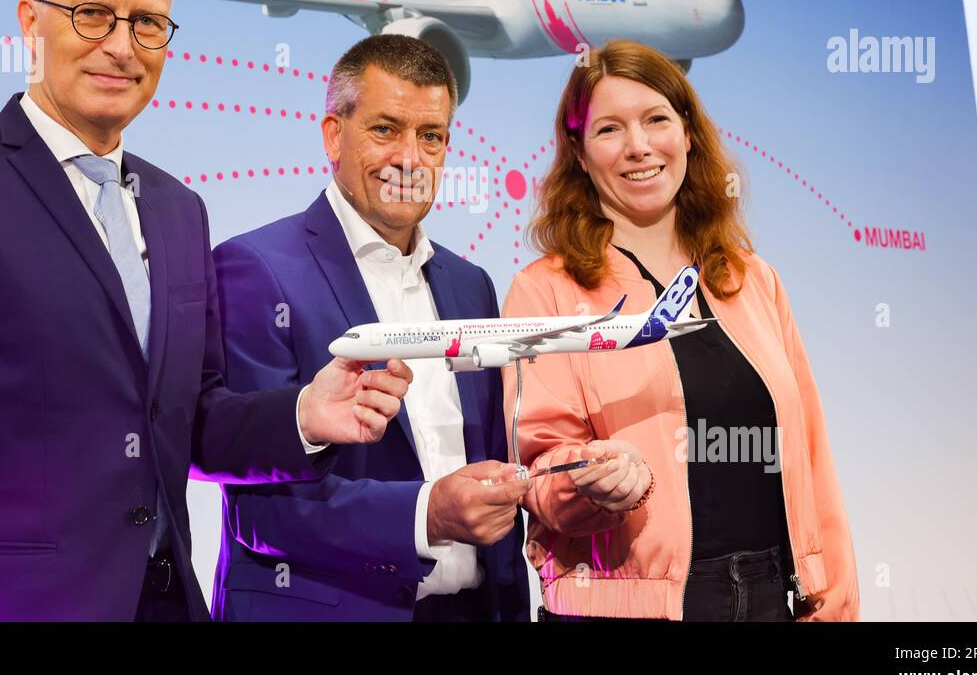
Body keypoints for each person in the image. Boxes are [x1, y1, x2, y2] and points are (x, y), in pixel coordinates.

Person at [0, 0, 411, 622]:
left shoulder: (178, 209)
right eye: (93, 14)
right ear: (29, 21)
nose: (121, 46)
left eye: (148, 24)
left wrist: (303, 415)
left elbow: (187, 417)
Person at [502, 39, 859, 621]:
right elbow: (540, 474)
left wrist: (837, 599)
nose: (639, 146)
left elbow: (814, 460)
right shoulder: (545, 291)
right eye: (610, 129)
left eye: (656, 120)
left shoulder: (753, 279)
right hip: (627, 608)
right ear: (580, 151)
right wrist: (592, 481)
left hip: (776, 597)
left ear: (688, 132)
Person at [211, 34, 531, 621]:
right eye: (385, 129)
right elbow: (260, 512)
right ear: (334, 135)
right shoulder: (254, 269)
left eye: (430, 136)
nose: (410, 158)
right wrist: (425, 514)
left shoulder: (472, 286)